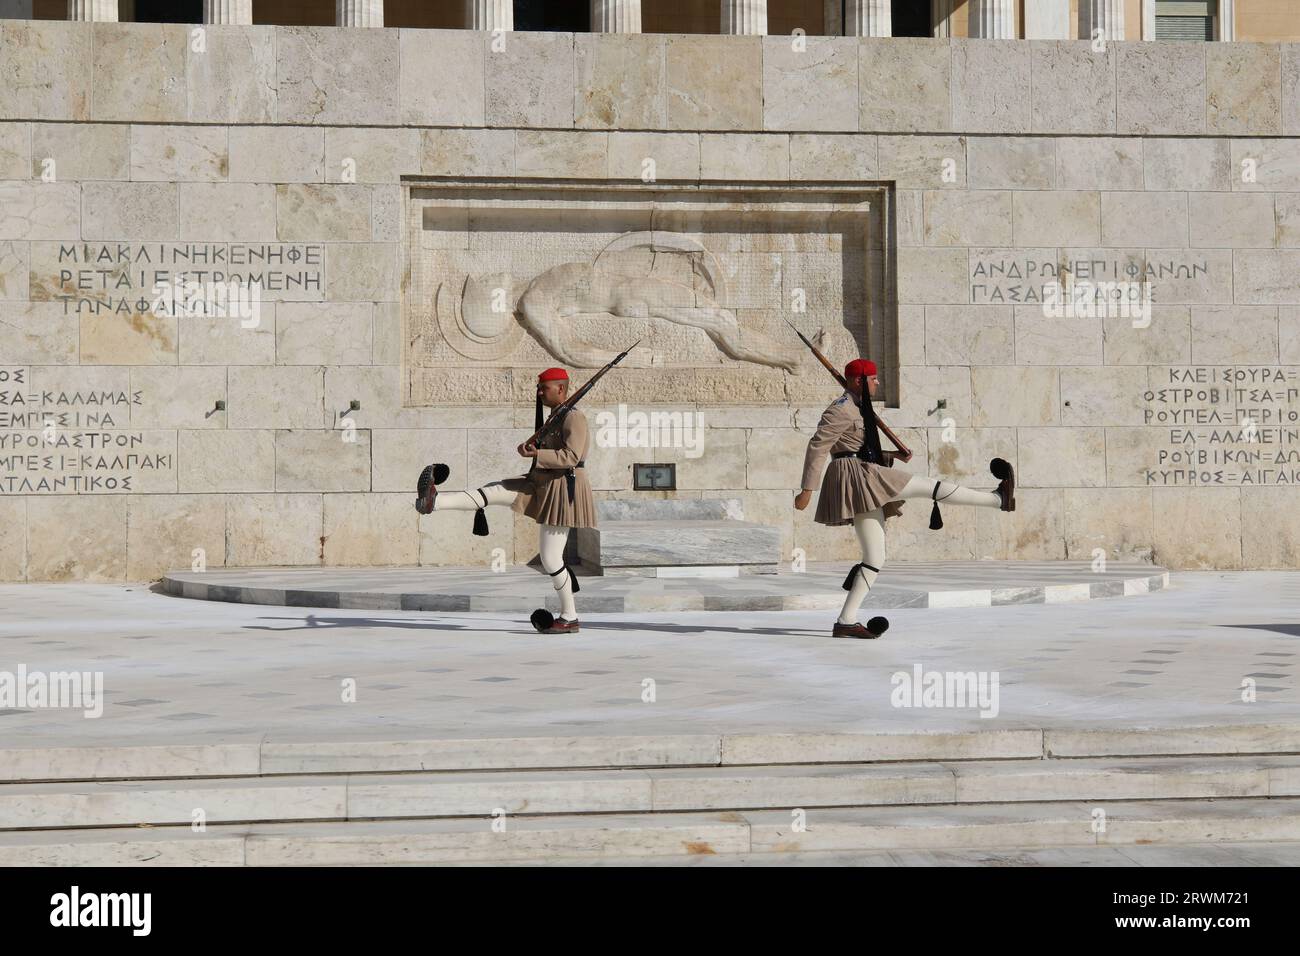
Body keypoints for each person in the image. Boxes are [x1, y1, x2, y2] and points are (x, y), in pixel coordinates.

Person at [795, 359, 1015, 639]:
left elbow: (858, 445)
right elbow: (819, 446)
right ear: (858, 381)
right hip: (857, 476)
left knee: (875, 557)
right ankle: (998, 499)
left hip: (862, 472)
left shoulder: (859, 407)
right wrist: (807, 490)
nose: (877, 383)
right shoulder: (840, 409)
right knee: (930, 486)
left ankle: (846, 621)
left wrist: (892, 455)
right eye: (873, 379)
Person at [415, 367, 596, 634]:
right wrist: (533, 452)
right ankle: (434, 501)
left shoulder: (574, 418)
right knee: (493, 490)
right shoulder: (556, 417)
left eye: (543, 388)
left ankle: (569, 616)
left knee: (551, 558)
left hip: (561, 490)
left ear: (560, 389)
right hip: (540, 482)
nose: (539, 392)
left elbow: (571, 457)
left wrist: (537, 455)